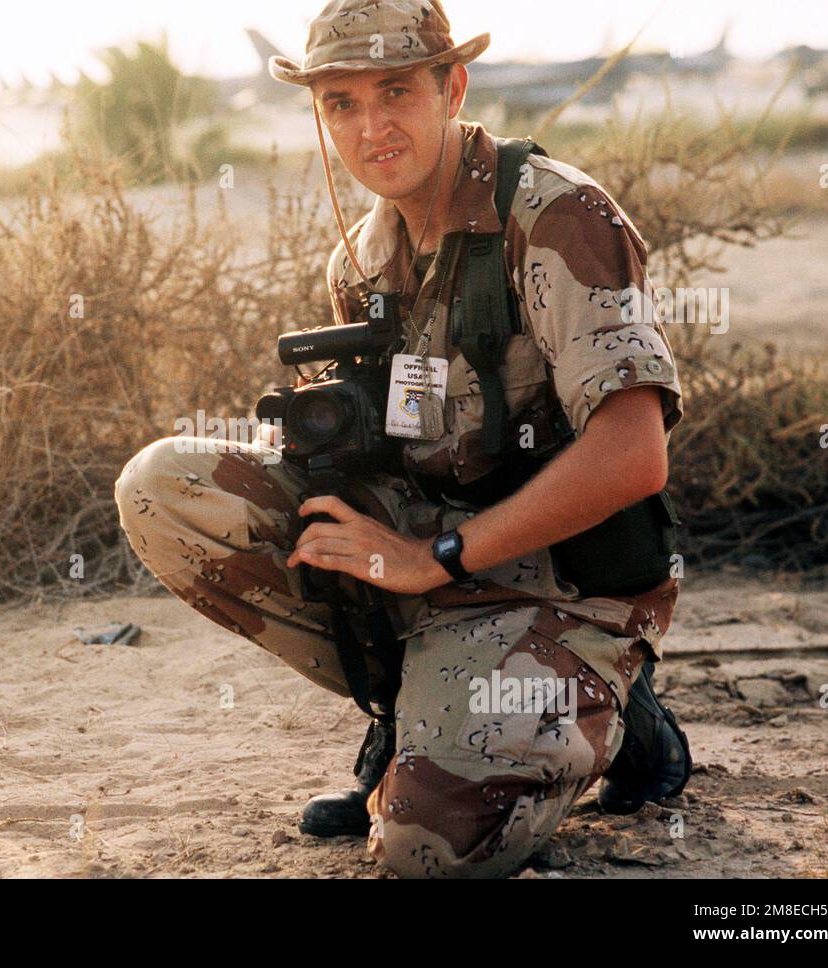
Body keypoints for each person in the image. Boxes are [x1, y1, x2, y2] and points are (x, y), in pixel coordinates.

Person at [114, 0, 692, 878]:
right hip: (432, 556)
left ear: (452, 87)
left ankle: (613, 713)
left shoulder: (555, 216)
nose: (371, 127)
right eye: (340, 103)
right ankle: (412, 710)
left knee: (423, 851)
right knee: (162, 484)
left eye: (395, 92)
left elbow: (632, 452)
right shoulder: (363, 260)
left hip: (568, 582)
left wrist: (438, 557)